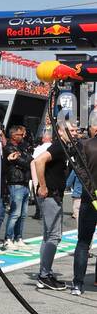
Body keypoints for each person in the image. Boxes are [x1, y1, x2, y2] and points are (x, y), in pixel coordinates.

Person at [32, 122, 70, 290]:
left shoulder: (62, 146)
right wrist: (42, 186)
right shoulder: (59, 147)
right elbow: (38, 161)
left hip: (51, 195)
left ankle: (44, 273)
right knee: (54, 236)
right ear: (61, 131)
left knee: (48, 236)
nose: (75, 132)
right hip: (50, 195)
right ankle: (44, 275)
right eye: (72, 129)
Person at [68, 111, 97, 295]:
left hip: (89, 197)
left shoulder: (84, 144)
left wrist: (92, 192)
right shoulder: (84, 144)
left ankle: (77, 283)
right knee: (83, 242)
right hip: (91, 197)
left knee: (83, 242)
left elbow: (80, 172)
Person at [1, 123, 31, 251]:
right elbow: (23, 162)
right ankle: (8, 239)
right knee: (15, 213)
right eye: (19, 134)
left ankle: (18, 237)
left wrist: (24, 159)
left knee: (23, 214)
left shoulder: (22, 147)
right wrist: (24, 160)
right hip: (15, 182)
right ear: (13, 135)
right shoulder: (9, 147)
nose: (22, 136)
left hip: (24, 182)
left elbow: (30, 159)